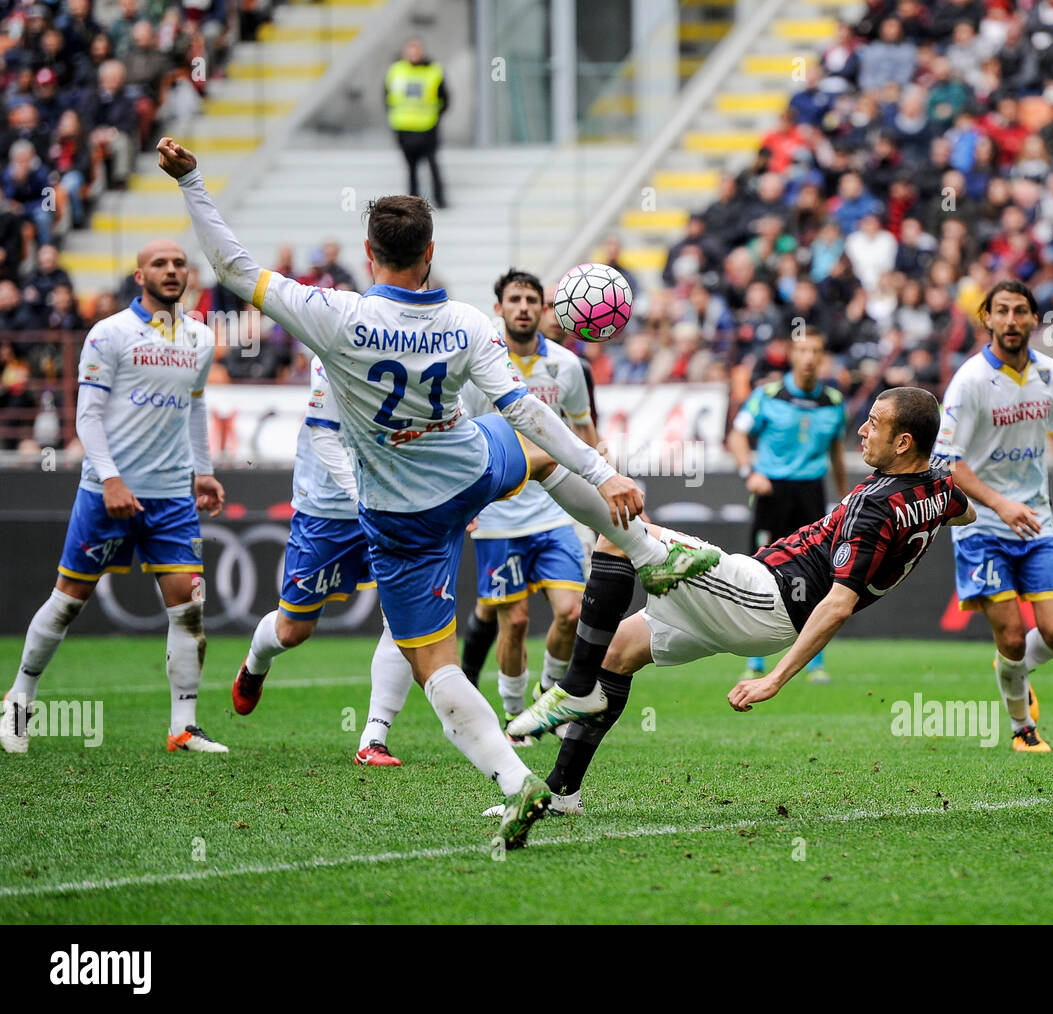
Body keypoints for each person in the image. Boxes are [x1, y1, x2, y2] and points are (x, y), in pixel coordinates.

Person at [158, 136, 720, 847]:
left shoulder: (333, 315)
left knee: (435, 663)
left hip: (397, 511)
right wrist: (603, 470)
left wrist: (192, 180)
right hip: (466, 467)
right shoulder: (463, 321)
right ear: (429, 254)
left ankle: (517, 785)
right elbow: (523, 410)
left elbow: (232, 267)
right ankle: (648, 555)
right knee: (544, 460)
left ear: (370, 254)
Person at [503, 388, 975, 813]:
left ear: (903, 443)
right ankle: (563, 794)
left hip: (762, 597)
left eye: (875, 422)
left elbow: (837, 604)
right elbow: (966, 512)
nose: (862, 429)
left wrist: (774, 679)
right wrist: (927, 500)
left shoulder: (875, 506)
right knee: (619, 653)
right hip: (759, 603)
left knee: (619, 532)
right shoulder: (939, 488)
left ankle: (577, 688)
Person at [1, 239, 227, 755]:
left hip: (171, 498)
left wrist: (204, 472)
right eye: (159, 264)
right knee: (66, 605)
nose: (171, 271)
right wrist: (109, 479)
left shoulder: (198, 336)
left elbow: (194, 408)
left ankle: (183, 727)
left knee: (189, 609)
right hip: (108, 493)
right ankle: (19, 698)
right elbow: (88, 415)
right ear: (139, 275)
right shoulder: (110, 334)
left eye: (178, 264)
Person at [230, 356, 409, 767]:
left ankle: (373, 738)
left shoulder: (416, 349)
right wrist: (361, 494)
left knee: (402, 617)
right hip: (327, 511)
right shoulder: (332, 349)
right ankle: (256, 663)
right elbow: (322, 435)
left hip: (392, 505)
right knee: (293, 631)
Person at [932, 280, 1053, 753]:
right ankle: (1023, 727)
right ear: (988, 319)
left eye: (1021, 311)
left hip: (1036, 519)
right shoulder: (970, 381)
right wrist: (999, 504)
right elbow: (947, 463)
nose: (1012, 320)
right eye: (1002, 311)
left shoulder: (1051, 374)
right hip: (981, 525)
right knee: (1013, 636)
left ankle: (1011, 671)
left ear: (1033, 320)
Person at [457, 270, 597, 752]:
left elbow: (585, 432)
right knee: (513, 621)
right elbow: (462, 434)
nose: (522, 306)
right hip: (497, 511)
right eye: (513, 299)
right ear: (499, 307)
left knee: (571, 612)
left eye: (531, 300)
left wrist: (596, 493)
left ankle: (548, 694)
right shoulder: (482, 365)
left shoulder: (567, 367)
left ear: (543, 310)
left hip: (554, 507)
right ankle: (515, 714)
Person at [728, 329, 848, 683]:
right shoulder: (767, 395)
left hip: (811, 492)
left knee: (818, 578)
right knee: (758, 573)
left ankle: (815, 661)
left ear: (823, 357)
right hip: (771, 491)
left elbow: (837, 454)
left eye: (816, 351)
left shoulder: (833, 402)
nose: (809, 357)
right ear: (792, 356)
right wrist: (749, 471)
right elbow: (736, 435)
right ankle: (755, 660)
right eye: (803, 350)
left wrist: (845, 500)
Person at [385, 38, 448, 209]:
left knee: (433, 164)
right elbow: (387, 97)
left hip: (427, 127)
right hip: (404, 127)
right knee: (411, 168)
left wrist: (434, 116)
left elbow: (445, 98)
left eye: (417, 50)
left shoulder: (433, 70)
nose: (413, 54)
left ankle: (440, 199)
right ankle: (412, 204)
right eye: (410, 50)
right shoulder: (396, 70)